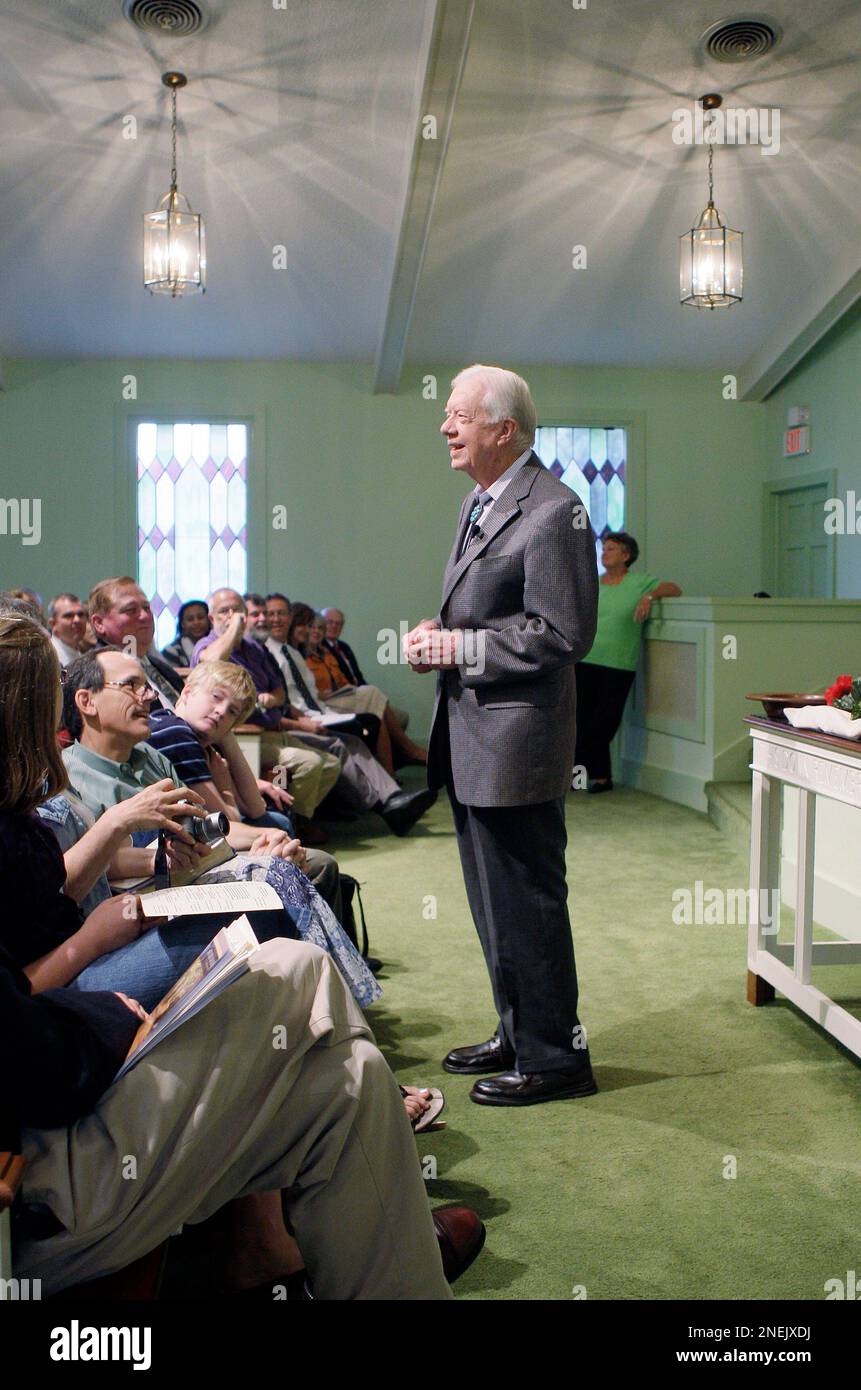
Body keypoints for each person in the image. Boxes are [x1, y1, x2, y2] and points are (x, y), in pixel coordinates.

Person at [3, 935, 484, 1298]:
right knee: (297, 965)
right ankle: (384, 1247)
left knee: (352, 1080)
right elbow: (41, 1062)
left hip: (44, 1130)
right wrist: (104, 1013)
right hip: (29, 1193)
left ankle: (370, 1249)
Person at [404, 363, 599, 1108]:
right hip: (473, 735)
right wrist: (442, 631)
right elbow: (484, 613)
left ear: (503, 428)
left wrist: (457, 649)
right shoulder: (479, 500)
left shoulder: (555, 511)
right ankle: (518, 1031)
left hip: (516, 743)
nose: (445, 425)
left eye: (458, 415)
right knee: (493, 901)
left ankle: (556, 1059)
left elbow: (562, 633)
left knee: (527, 902)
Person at [59, 646, 380, 1010]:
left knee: (284, 862)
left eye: (147, 686)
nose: (148, 696)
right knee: (274, 881)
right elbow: (86, 866)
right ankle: (328, 1005)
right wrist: (165, 858)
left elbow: (203, 827)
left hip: (186, 881)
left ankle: (326, 1003)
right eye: (132, 686)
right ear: (87, 701)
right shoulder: (65, 778)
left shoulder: (152, 758)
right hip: (134, 909)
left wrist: (261, 840)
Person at [199, 589, 435, 835]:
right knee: (310, 761)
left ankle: (383, 802)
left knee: (342, 746)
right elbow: (210, 662)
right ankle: (295, 823)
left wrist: (274, 701)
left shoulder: (254, 649)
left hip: (279, 726)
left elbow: (280, 692)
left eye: (238, 610)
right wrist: (234, 626)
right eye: (224, 611)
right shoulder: (209, 646)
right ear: (211, 616)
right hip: (245, 738)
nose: (232, 616)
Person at [574, 532, 682, 793]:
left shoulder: (639, 583)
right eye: (604, 549)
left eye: (611, 549)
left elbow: (674, 589)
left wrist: (649, 597)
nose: (605, 553)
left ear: (626, 555)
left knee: (604, 722)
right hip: (584, 660)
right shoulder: (595, 583)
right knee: (579, 720)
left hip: (618, 664)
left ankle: (598, 775)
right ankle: (591, 777)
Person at [278, 600, 427, 772]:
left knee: (389, 713)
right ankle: (401, 761)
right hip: (317, 707)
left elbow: (351, 679)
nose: (314, 631)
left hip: (334, 698)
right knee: (373, 704)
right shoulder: (291, 654)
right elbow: (294, 694)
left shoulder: (332, 650)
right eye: (310, 626)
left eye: (320, 627)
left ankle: (392, 773)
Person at [322, 604, 411, 734]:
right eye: (330, 622)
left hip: (357, 693)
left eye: (339, 623)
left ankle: (398, 752)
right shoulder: (320, 648)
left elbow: (358, 677)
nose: (334, 626)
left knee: (402, 717)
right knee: (377, 710)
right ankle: (406, 750)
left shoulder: (344, 647)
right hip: (341, 699)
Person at [160, 598, 211, 671]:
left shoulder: (219, 644)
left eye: (200, 617)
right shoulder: (172, 651)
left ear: (209, 619)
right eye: (190, 619)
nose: (196, 622)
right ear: (183, 624)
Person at [47, 592, 91, 668]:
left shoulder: (82, 654)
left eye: (80, 614)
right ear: (53, 624)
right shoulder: (47, 656)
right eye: (69, 616)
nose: (77, 620)